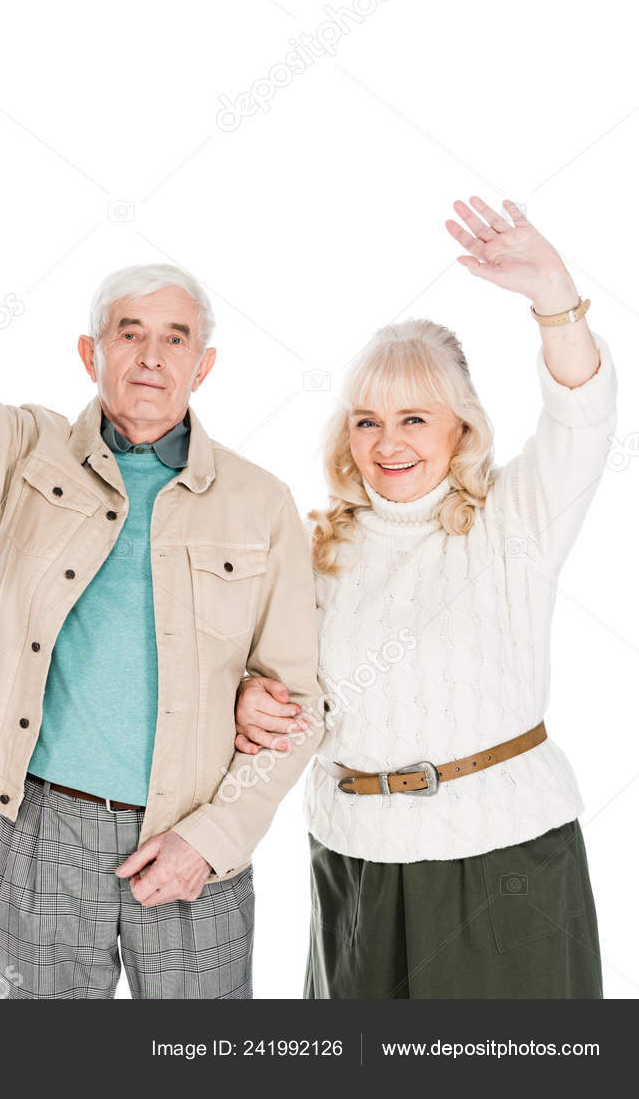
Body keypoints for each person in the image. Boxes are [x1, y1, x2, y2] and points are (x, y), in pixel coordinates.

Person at [0, 72, 322, 999]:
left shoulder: (262, 505)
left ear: (205, 363)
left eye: (175, 337)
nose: (151, 355)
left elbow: (299, 710)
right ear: (89, 352)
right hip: (45, 832)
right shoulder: (23, 453)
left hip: (195, 834)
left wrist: (212, 841)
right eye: (128, 332)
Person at [235, 197, 615, 998]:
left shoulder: (515, 521)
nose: (388, 442)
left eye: (414, 417)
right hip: (357, 867)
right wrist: (249, 698)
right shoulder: (316, 550)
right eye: (367, 421)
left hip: (503, 862)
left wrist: (552, 290)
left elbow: (582, 417)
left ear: (460, 428)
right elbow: (282, 692)